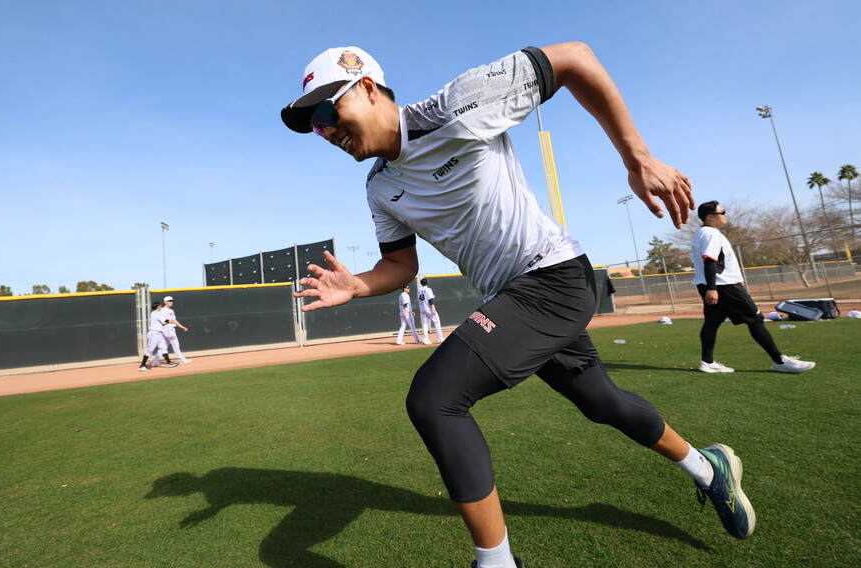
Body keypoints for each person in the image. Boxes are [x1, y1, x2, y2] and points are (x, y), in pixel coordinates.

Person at [282, 44, 754, 566]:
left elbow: (575, 59)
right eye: (316, 128)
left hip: (553, 275)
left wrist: (636, 157)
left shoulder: (456, 106)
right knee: (602, 402)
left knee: (435, 399)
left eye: (328, 113)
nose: (327, 132)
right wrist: (357, 285)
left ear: (369, 87)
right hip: (513, 297)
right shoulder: (379, 188)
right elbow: (400, 265)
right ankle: (708, 468)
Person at [691, 201, 815, 374]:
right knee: (755, 319)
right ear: (710, 217)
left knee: (713, 321)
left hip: (713, 284)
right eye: (722, 212)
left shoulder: (701, 233)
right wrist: (713, 288)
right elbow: (710, 261)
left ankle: (707, 362)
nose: (726, 214)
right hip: (723, 285)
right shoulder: (711, 234)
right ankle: (779, 361)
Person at [140, 302, 175, 371]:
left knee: (163, 347)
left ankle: (169, 362)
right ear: (158, 306)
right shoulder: (155, 313)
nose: (161, 307)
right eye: (160, 306)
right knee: (150, 349)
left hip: (159, 333)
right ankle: (142, 365)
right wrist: (172, 321)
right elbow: (165, 320)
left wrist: (169, 322)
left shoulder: (156, 314)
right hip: (154, 333)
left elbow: (163, 323)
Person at [157, 296, 191, 365]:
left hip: (169, 329)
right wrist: (170, 322)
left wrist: (181, 327)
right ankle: (182, 359)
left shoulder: (171, 310)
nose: (171, 302)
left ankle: (155, 361)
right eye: (169, 301)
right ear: (165, 302)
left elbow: (174, 320)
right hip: (167, 329)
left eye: (172, 301)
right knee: (176, 344)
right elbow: (162, 321)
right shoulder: (163, 310)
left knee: (164, 346)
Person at [417, 278, 444, 344]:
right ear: (427, 283)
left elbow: (422, 299)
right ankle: (440, 338)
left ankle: (425, 339)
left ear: (421, 284)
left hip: (422, 308)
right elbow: (430, 300)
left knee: (425, 324)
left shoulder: (419, 291)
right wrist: (433, 309)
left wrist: (432, 296)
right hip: (428, 308)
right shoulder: (428, 289)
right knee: (437, 321)